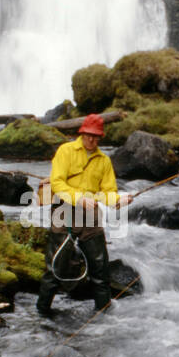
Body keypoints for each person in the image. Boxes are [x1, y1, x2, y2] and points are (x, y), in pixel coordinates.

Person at [36, 114, 132, 315]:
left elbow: (107, 192)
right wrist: (79, 199)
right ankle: (42, 312)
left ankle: (104, 313)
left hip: (91, 217)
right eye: (89, 135)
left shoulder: (104, 160)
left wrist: (118, 201)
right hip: (64, 212)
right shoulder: (65, 151)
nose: (92, 140)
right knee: (56, 266)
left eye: (96, 137)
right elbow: (57, 183)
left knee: (100, 268)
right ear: (82, 133)